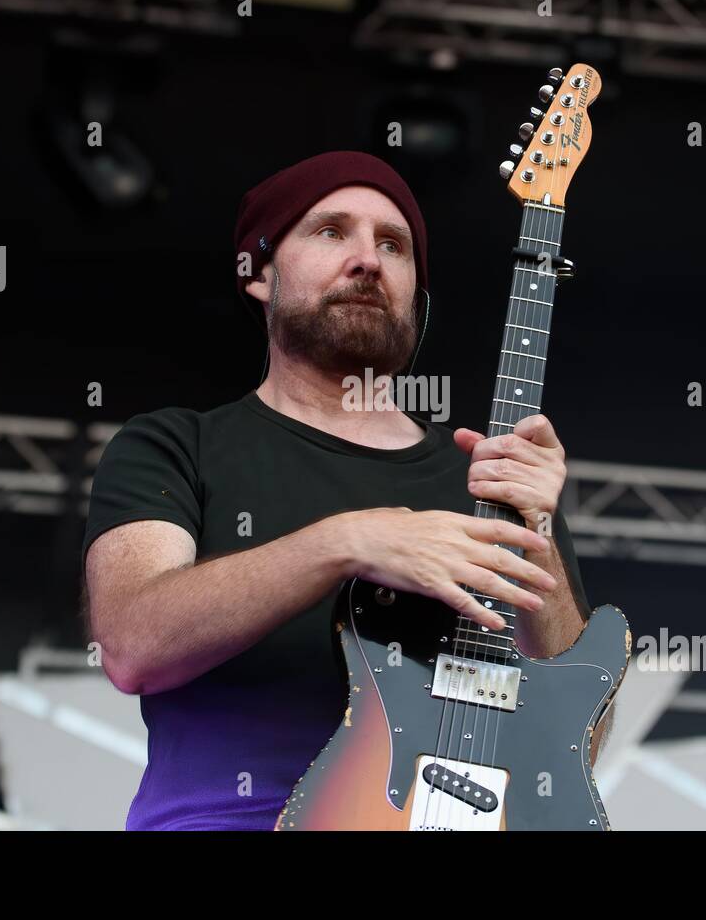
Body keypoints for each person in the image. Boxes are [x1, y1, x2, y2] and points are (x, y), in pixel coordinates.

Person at [82, 150, 593, 830]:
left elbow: (576, 736)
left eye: (393, 243)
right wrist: (348, 541)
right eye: (331, 232)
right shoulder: (175, 447)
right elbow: (130, 643)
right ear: (259, 273)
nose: (368, 260)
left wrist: (535, 537)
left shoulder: (486, 484)